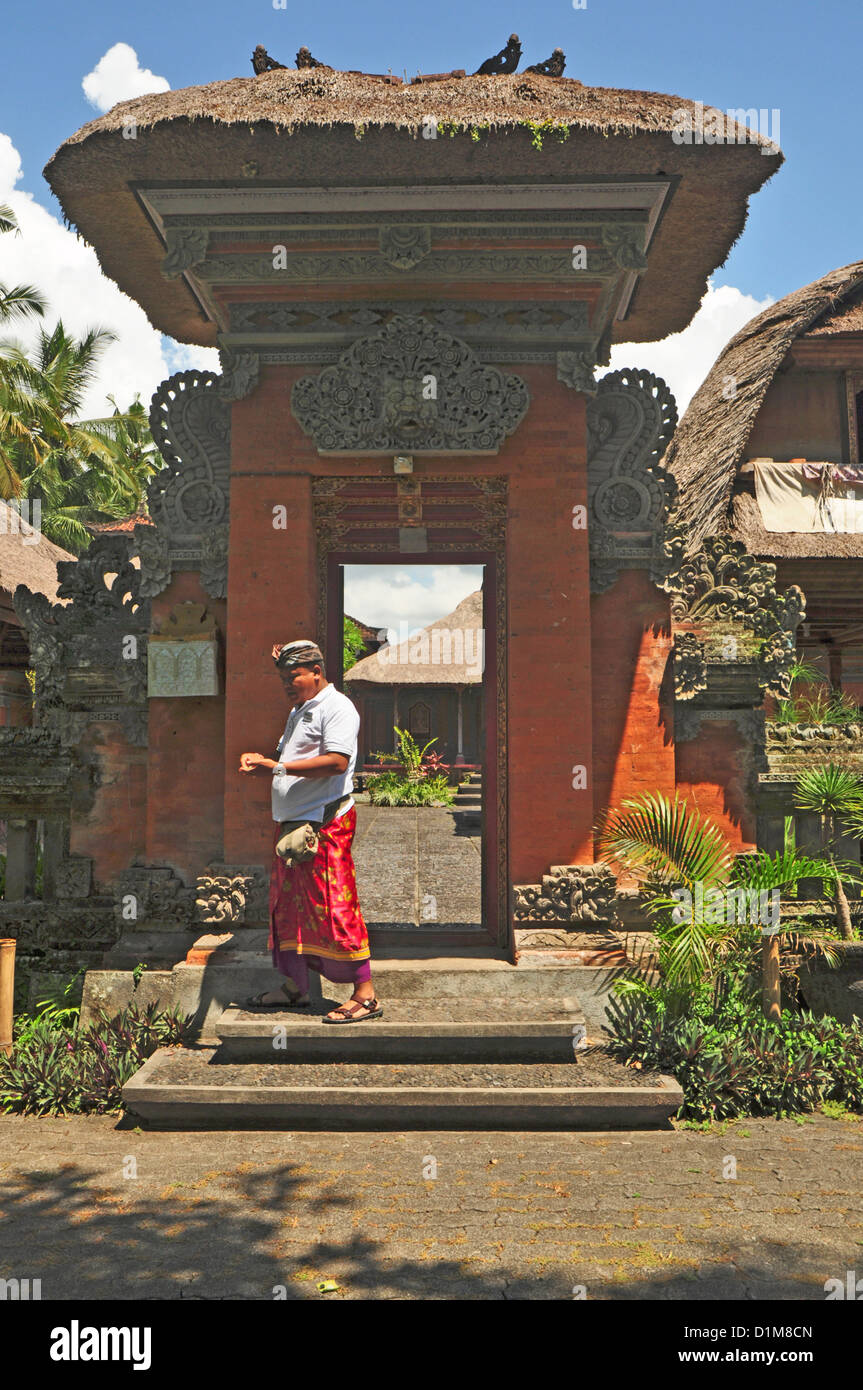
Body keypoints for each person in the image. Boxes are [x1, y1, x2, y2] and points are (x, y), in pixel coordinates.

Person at [238, 639, 381, 1023]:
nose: (287, 684)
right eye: (283, 677)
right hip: (296, 824)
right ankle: (297, 987)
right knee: (290, 906)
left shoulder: (338, 708)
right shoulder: (302, 709)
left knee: (334, 905)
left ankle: (365, 994)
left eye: (294, 676)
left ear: (317, 672)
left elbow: (336, 763)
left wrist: (276, 767)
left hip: (325, 822)